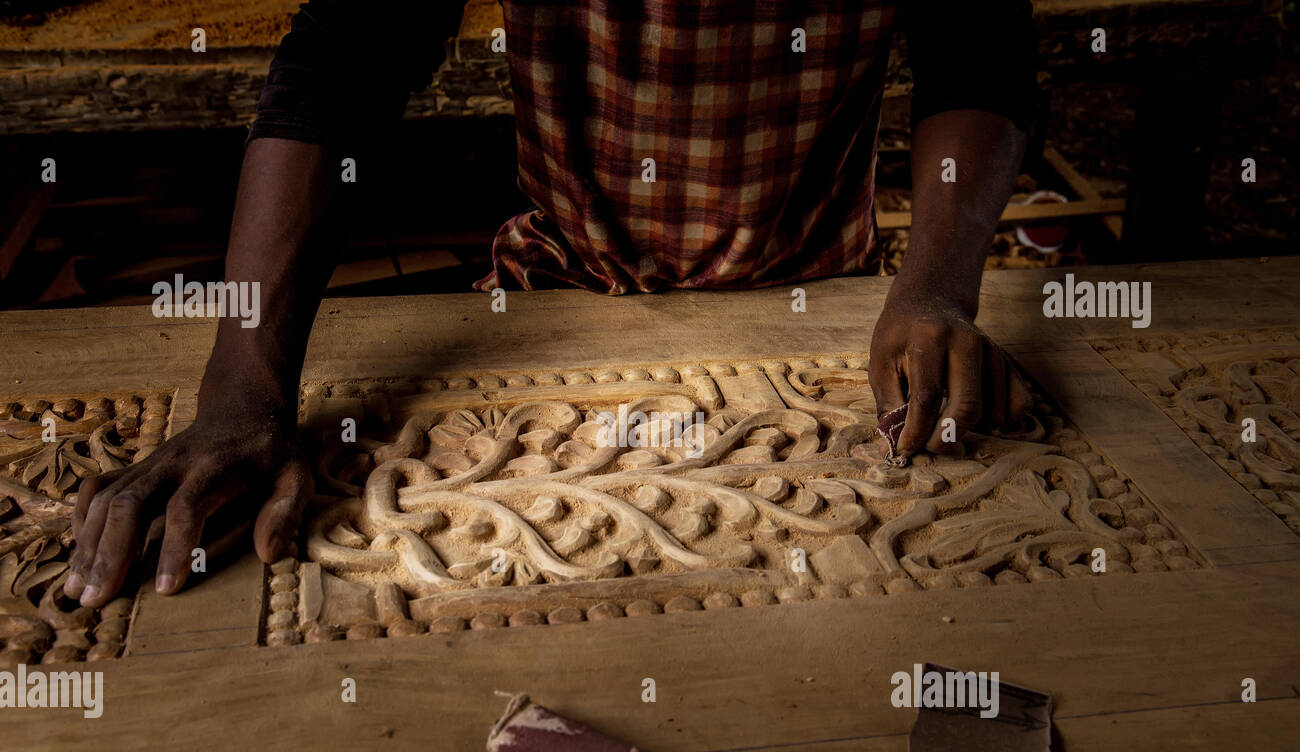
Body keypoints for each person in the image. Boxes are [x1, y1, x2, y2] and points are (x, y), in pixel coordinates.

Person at [66, 0, 1038, 608]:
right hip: (565, 293)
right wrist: (242, 381)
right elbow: (344, 62)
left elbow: (979, 56)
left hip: (818, 309)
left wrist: (939, 290)